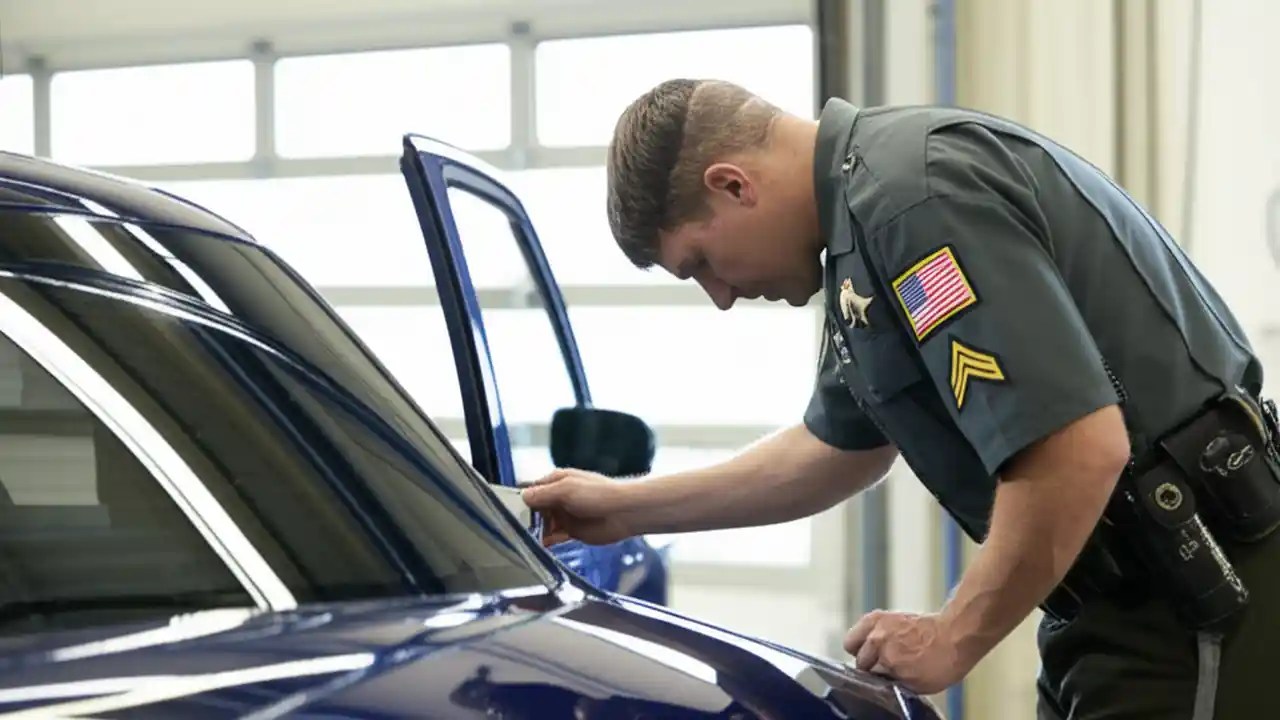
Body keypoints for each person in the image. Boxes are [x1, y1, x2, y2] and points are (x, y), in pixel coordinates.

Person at [520, 78, 1280, 719]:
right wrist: (624, 507)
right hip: (1122, 605)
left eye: (701, 263)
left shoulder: (909, 203)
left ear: (732, 184)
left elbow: (1076, 446)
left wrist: (953, 635)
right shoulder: (863, 226)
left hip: (1199, 604)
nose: (721, 297)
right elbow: (832, 449)